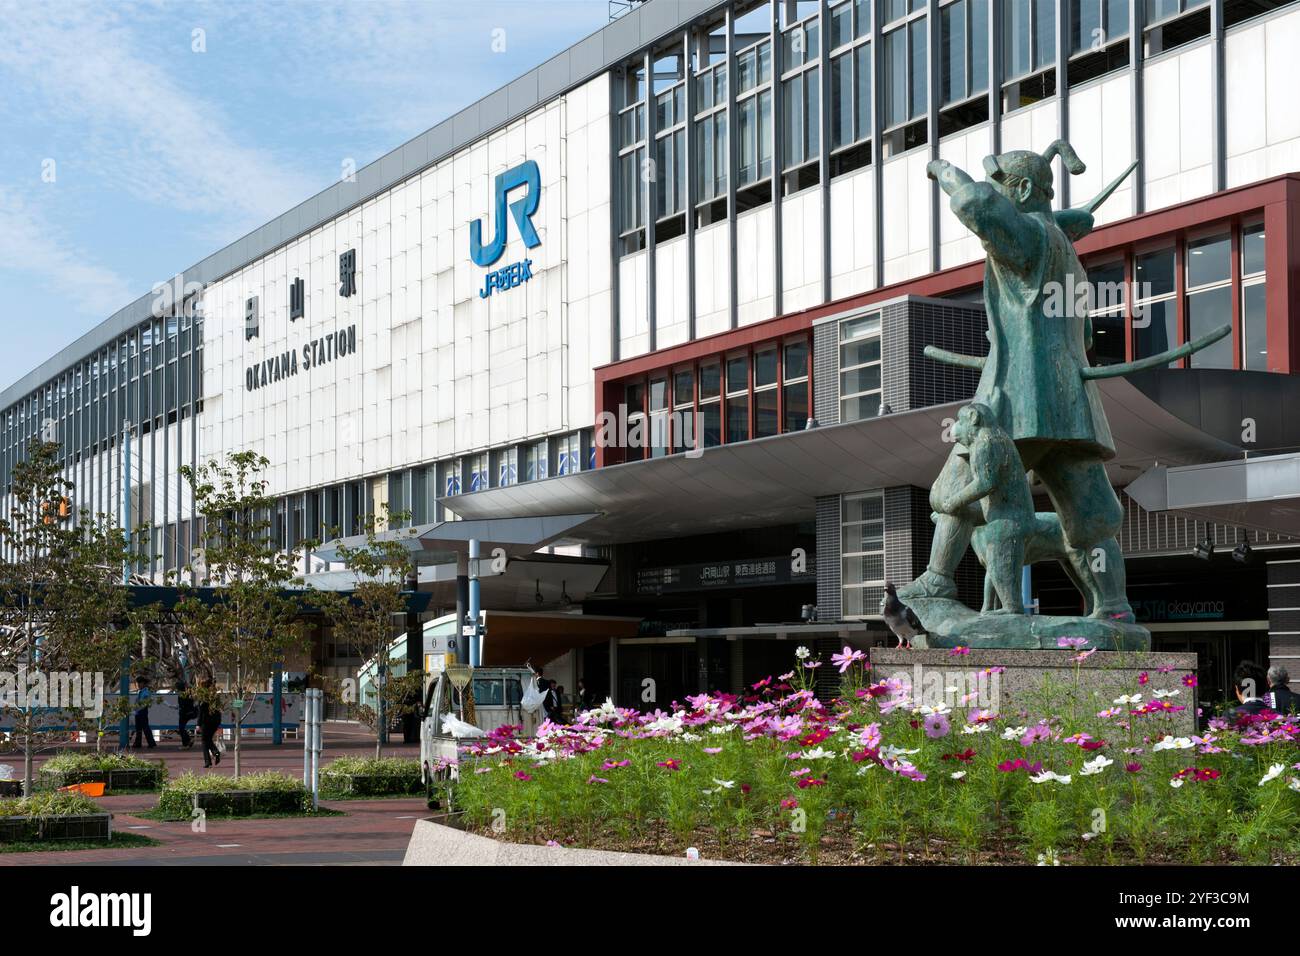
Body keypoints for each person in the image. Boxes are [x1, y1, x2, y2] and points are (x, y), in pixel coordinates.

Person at [197, 679, 223, 768]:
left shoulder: (203, 696)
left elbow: (201, 712)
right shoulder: (215, 695)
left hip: (206, 721)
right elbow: (219, 709)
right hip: (215, 721)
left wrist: (198, 724)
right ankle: (215, 753)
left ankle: (208, 761)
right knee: (208, 739)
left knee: (204, 740)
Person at [131, 678, 156, 749]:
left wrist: (137, 710)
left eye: (140, 683)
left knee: (145, 728)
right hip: (138, 711)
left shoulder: (146, 692)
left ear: (144, 684)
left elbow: (144, 704)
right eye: (138, 683)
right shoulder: (140, 692)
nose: (138, 685)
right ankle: (138, 743)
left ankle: (151, 743)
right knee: (138, 728)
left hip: (142, 711)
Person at [176, 679, 197, 749]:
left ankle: (186, 743)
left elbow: (182, 706)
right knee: (182, 728)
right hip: (190, 712)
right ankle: (188, 741)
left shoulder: (181, 695)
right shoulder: (189, 693)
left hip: (183, 714)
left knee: (181, 728)